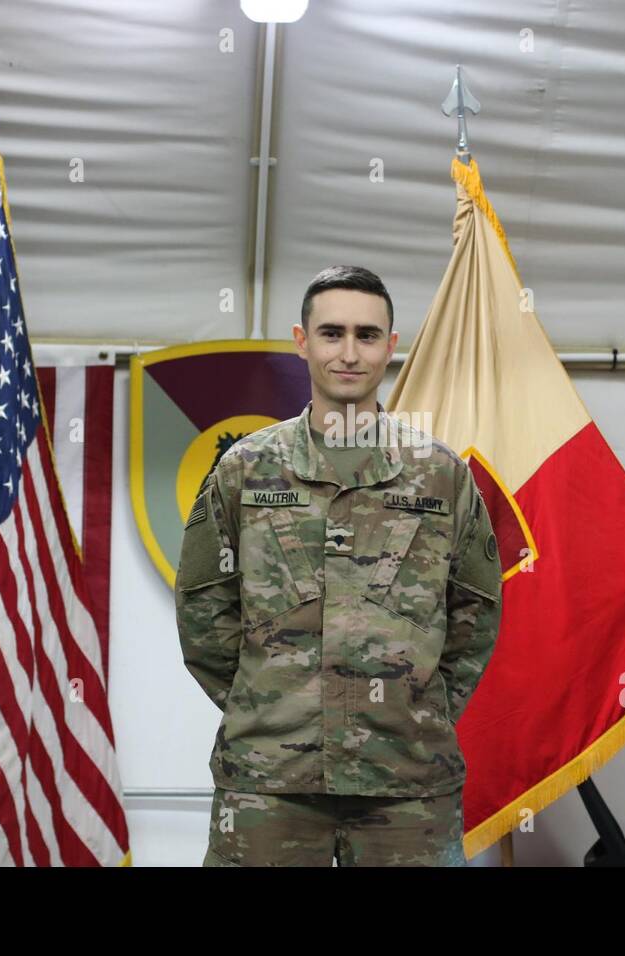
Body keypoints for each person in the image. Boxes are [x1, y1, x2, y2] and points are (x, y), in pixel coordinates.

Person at [175, 265, 502, 866]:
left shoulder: (441, 474)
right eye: (332, 333)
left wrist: (411, 708)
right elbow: (204, 615)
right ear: (302, 340)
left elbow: (474, 616)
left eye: (367, 335)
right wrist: (271, 703)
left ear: (390, 347)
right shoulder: (245, 470)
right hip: (269, 783)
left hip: (407, 783)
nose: (349, 353)